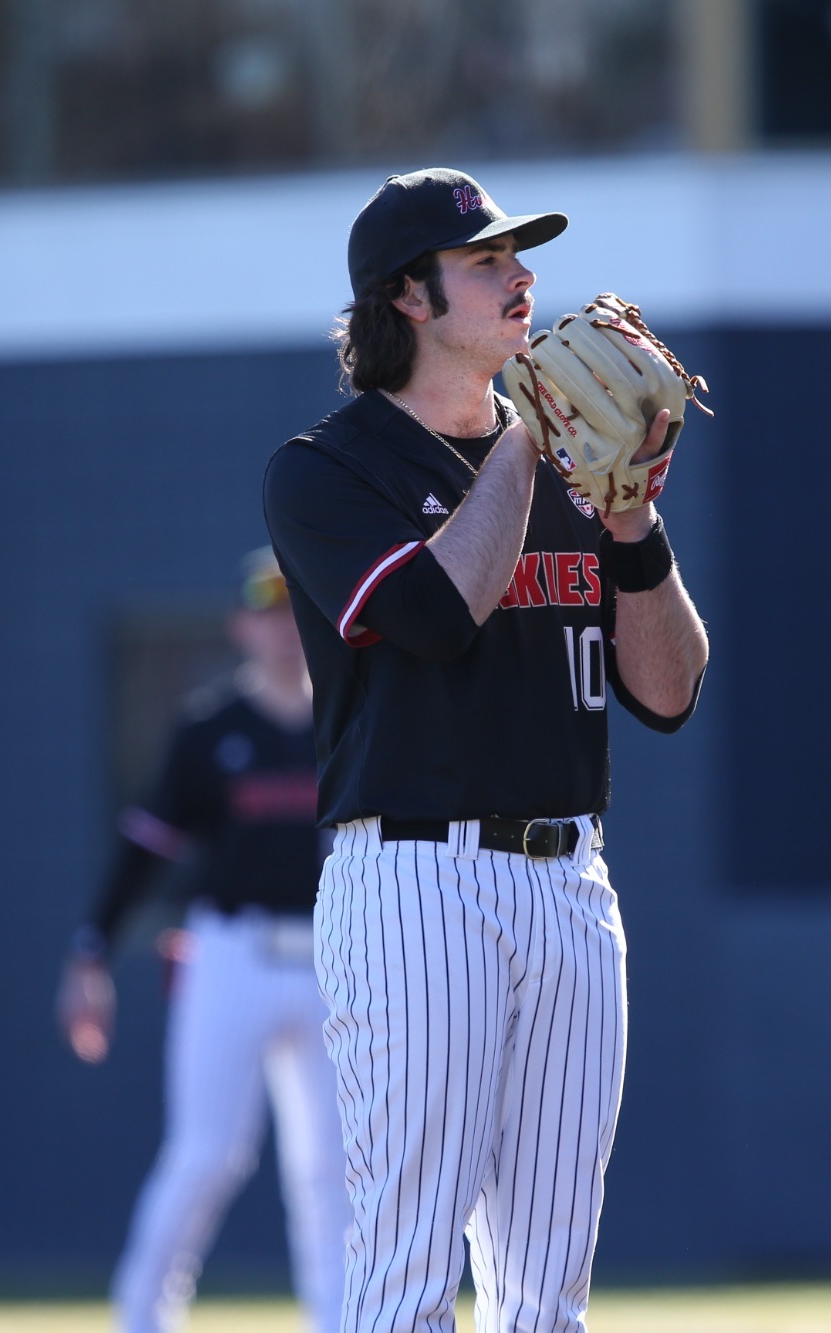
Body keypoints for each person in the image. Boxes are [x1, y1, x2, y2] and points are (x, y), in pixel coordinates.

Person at [261, 166, 710, 1333]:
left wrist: (629, 517)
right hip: (417, 877)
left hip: (571, 880)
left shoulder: (570, 470)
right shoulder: (326, 467)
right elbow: (435, 614)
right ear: (407, 297)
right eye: (487, 261)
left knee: (548, 1288)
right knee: (412, 1267)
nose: (522, 278)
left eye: (521, 255)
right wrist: (531, 442)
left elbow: (668, 692)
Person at [57, 547, 351, 1333]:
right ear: (240, 625)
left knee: (332, 1168)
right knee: (207, 1154)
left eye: (297, 608)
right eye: (267, 609)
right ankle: (141, 1318)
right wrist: (92, 952)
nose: (285, 626)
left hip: (333, 959)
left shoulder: (351, 719)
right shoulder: (209, 727)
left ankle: (341, 1320)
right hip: (230, 951)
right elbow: (147, 846)